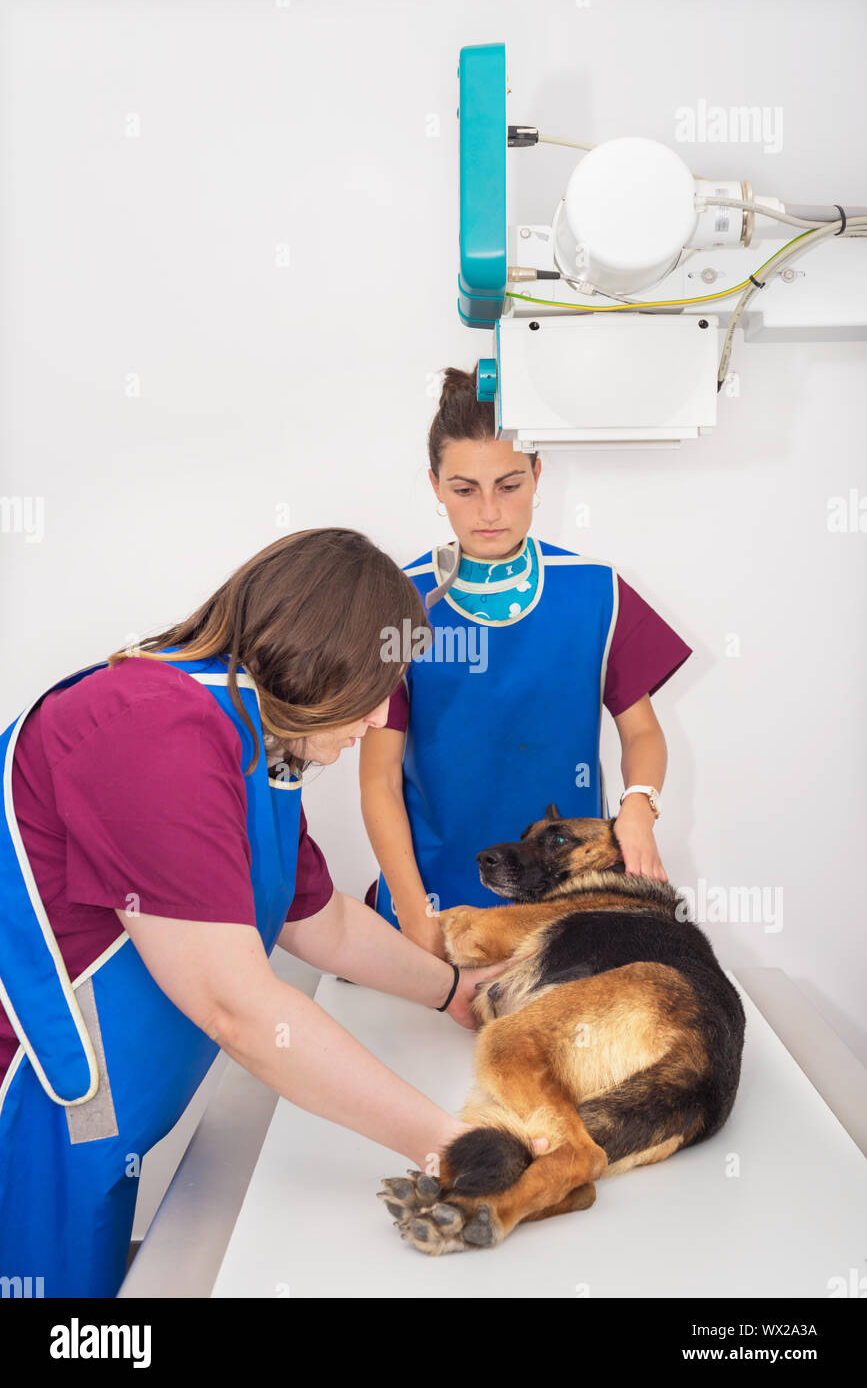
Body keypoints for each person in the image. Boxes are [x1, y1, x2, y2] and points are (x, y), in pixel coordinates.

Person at [0, 527, 545, 1298]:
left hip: (96, 1119)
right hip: (23, 1098)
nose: (373, 727)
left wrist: (451, 987)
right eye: (372, 695)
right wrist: (452, 1149)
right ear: (326, 662)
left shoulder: (254, 741)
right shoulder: (151, 729)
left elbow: (314, 918)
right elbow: (237, 1005)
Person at [360, 367, 693, 958]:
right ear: (435, 486)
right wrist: (416, 918)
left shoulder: (596, 592)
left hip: (570, 909)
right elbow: (379, 779)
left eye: (509, 485)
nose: (489, 510)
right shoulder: (400, 605)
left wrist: (638, 808)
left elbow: (641, 731)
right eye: (464, 489)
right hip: (434, 902)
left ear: (538, 476)